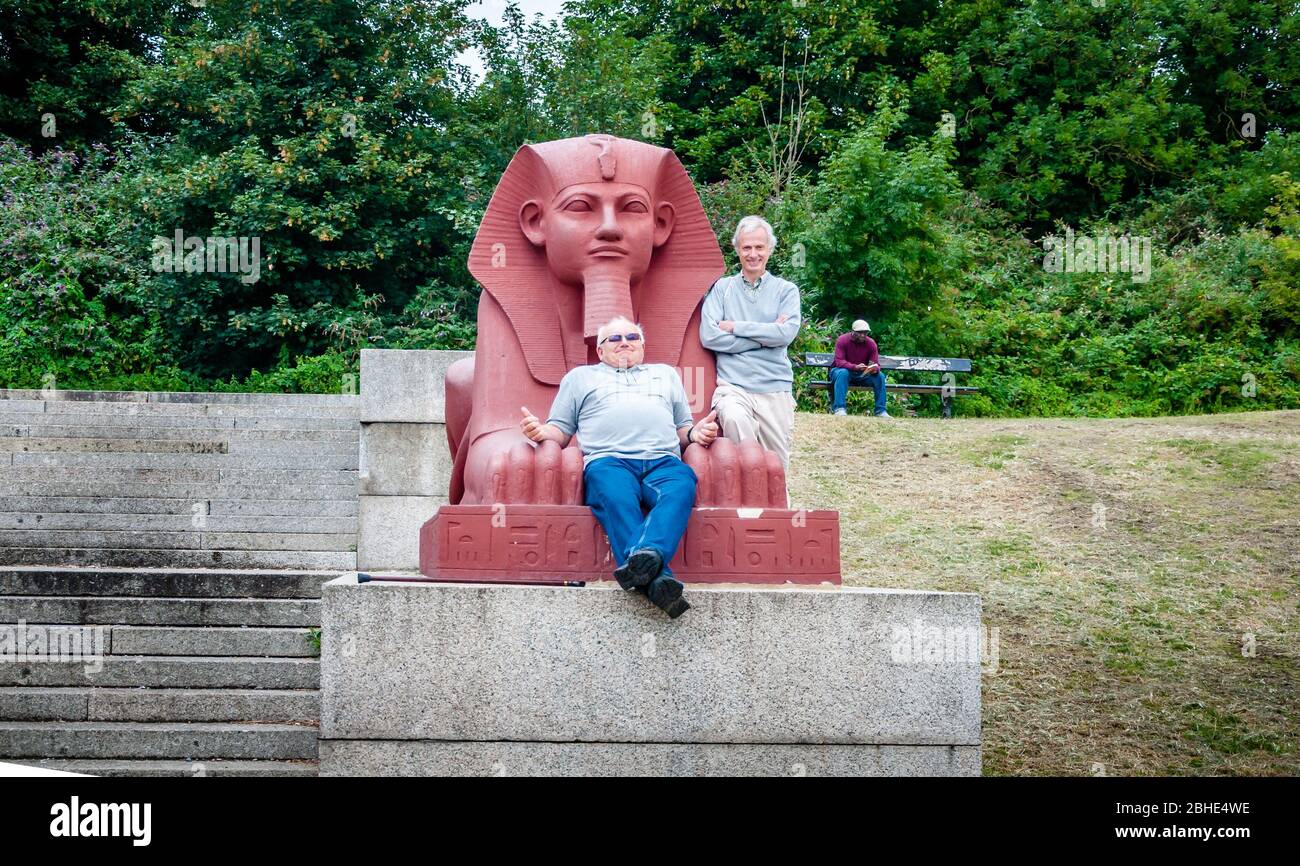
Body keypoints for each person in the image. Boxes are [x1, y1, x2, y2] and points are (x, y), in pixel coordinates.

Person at [519, 316, 720, 619]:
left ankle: (646, 568)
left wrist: (696, 434)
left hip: (662, 459)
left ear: (642, 346)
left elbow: (683, 429)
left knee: (681, 486)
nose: (624, 342)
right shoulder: (580, 378)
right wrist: (540, 432)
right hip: (608, 460)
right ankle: (659, 577)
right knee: (615, 495)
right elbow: (559, 430)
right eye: (614, 339)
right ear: (600, 350)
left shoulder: (665, 375)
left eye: (632, 337)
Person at [698, 215, 800, 467]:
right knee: (736, 429)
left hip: (774, 387)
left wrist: (736, 327)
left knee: (775, 466)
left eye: (759, 247)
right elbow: (709, 336)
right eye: (747, 247)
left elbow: (786, 334)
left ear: (770, 250)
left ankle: (779, 504)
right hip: (733, 386)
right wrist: (765, 338)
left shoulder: (786, 290)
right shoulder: (722, 289)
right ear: (737, 250)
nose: (753, 254)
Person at [830, 319, 890, 417]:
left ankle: (881, 411)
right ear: (853, 332)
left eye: (865, 333)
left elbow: (875, 363)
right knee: (843, 373)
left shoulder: (871, 343)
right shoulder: (842, 340)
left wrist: (874, 369)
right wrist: (855, 367)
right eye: (860, 333)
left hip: (862, 374)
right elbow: (839, 362)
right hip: (841, 371)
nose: (863, 335)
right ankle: (839, 408)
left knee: (880, 376)